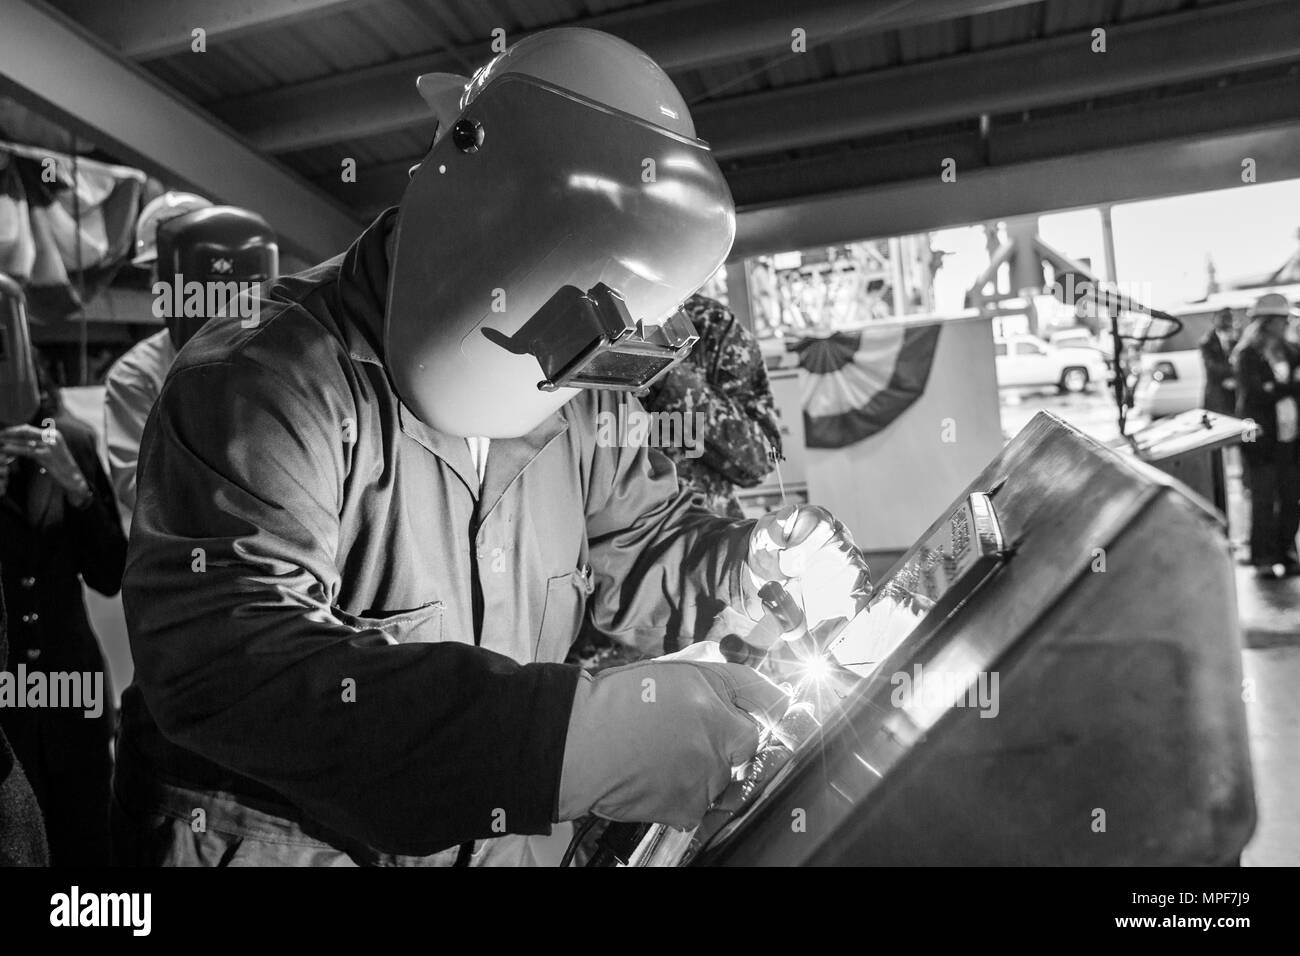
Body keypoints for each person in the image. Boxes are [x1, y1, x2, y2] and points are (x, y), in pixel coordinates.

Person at [113, 28, 871, 867]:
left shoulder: (571, 390)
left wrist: (750, 560)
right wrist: (570, 742)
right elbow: (228, 656)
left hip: (484, 837)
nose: (577, 349)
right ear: (489, 213)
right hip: (275, 844)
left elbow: (643, 541)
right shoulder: (262, 376)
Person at [0, 354, 127, 865]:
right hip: (5, 699)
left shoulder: (69, 439)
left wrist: (77, 487)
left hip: (73, 684)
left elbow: (110, 573)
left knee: (88, 837)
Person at [105, 203, 276, 521]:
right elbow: (137, 487)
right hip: (183, 550)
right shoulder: (136, 374)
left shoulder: (274, 355)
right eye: (160, 271)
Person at [639, 293, 783, 519]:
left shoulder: (710, 324)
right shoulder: (580, 303)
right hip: (593, 522)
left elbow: (761, 460)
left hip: (691, 533)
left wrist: (667, 374)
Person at [1232, 292, 1300, 578]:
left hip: (1289, 438)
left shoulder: (1291, 351)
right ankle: (1262, 556)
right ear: (1268, 322)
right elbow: (1257, 394)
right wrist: (1287, 388)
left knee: (1291, 497)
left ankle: (1287, 551)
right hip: (1260, 440)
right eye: (1282, 319)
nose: (1286, 323)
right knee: (1263, 498)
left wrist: (1282, 388)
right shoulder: (1248, 355)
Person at [1200, 307, 1238, 415]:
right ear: (1214, 320)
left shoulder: (1236, 339)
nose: (1226, 321)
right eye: (1223, 317)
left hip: (1234, 393)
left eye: (1229, 318)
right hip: (1217, 393)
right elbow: (1212, 365)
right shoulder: (1207, 342)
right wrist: (1232, 372)